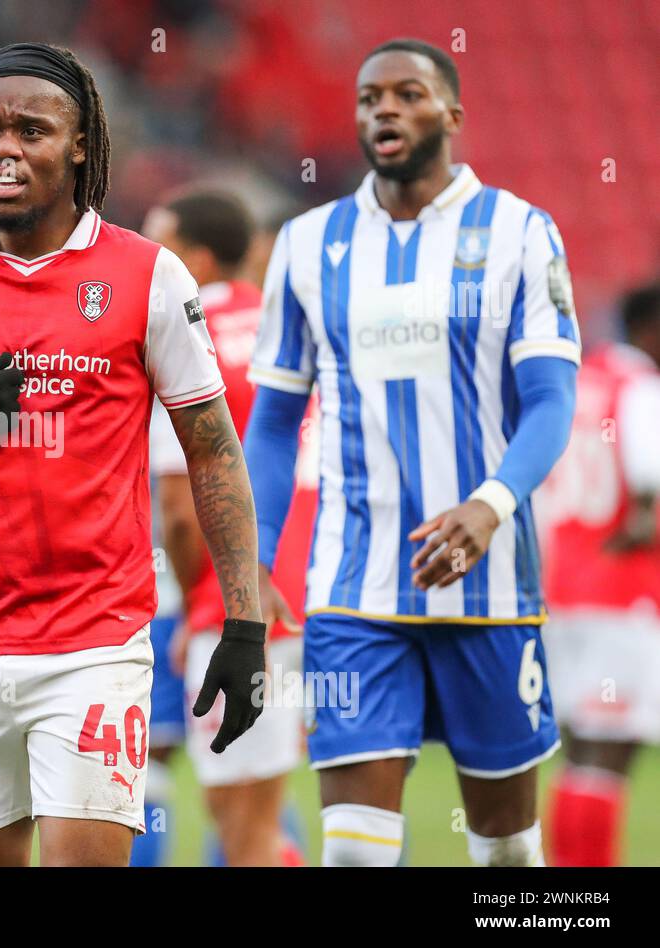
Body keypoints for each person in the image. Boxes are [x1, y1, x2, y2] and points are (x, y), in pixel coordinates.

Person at [0, 42, 265, 867]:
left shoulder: (148, 276)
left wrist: (242, 622)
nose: (3, 146)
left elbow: (213, 453)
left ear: (80, 145)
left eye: (30, 129)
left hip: (94, 644)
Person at [245, 38, 580, 866]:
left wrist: (489, 505)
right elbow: (275, 421)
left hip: (489, 586)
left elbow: (550, 401)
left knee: (506, 850)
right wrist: (249, 556)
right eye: (368, 99)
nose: (383, 110)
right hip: (352, 588)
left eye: (406, 94)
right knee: (355, 853)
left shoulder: (519, 233)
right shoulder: (308, 243)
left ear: (453, 115)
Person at [145, 188, 316, 866]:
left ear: (199, 256)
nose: (148, 255)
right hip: (301, 592)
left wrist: (196, 608)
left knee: (241, 827)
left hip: (232, 607)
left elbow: (185, 511)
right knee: (258, 812)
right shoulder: (288, 327)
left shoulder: (184, 335)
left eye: (162, 242)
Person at [540, 283, 660, 866]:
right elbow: (645, 505)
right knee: (610, 755)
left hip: (564, 592)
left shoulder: (577, 383)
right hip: (620, 593)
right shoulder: (639, 389)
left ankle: (568, 893)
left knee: (583, 754)